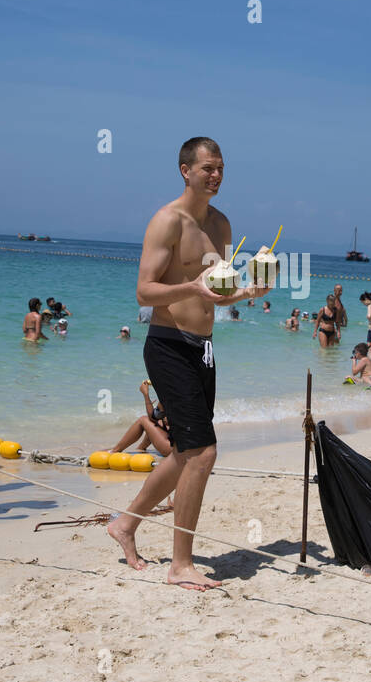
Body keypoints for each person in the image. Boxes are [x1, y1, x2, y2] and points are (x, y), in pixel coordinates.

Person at [106, 136, 268, 590]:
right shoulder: (167, 221)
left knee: (185, 452)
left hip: (205, 347)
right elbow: (144, 291)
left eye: (220, 168)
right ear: (185, 170)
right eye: (207, 168)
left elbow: (217, 290)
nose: (215, 176)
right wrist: (191, 289)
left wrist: (248, 293)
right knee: (204, 451)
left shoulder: (221, 224)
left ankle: (125, 524)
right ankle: (181, 564)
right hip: (167, 344)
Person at [111, 381, 173, 455]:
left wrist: (146, 395)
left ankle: (115, 450)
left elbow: (152, 417)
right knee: (159, 422)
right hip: (188, 447)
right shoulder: (185, 393)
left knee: (143, 420)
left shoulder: (169, 396)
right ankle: (141, 448)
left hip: (174, 450)